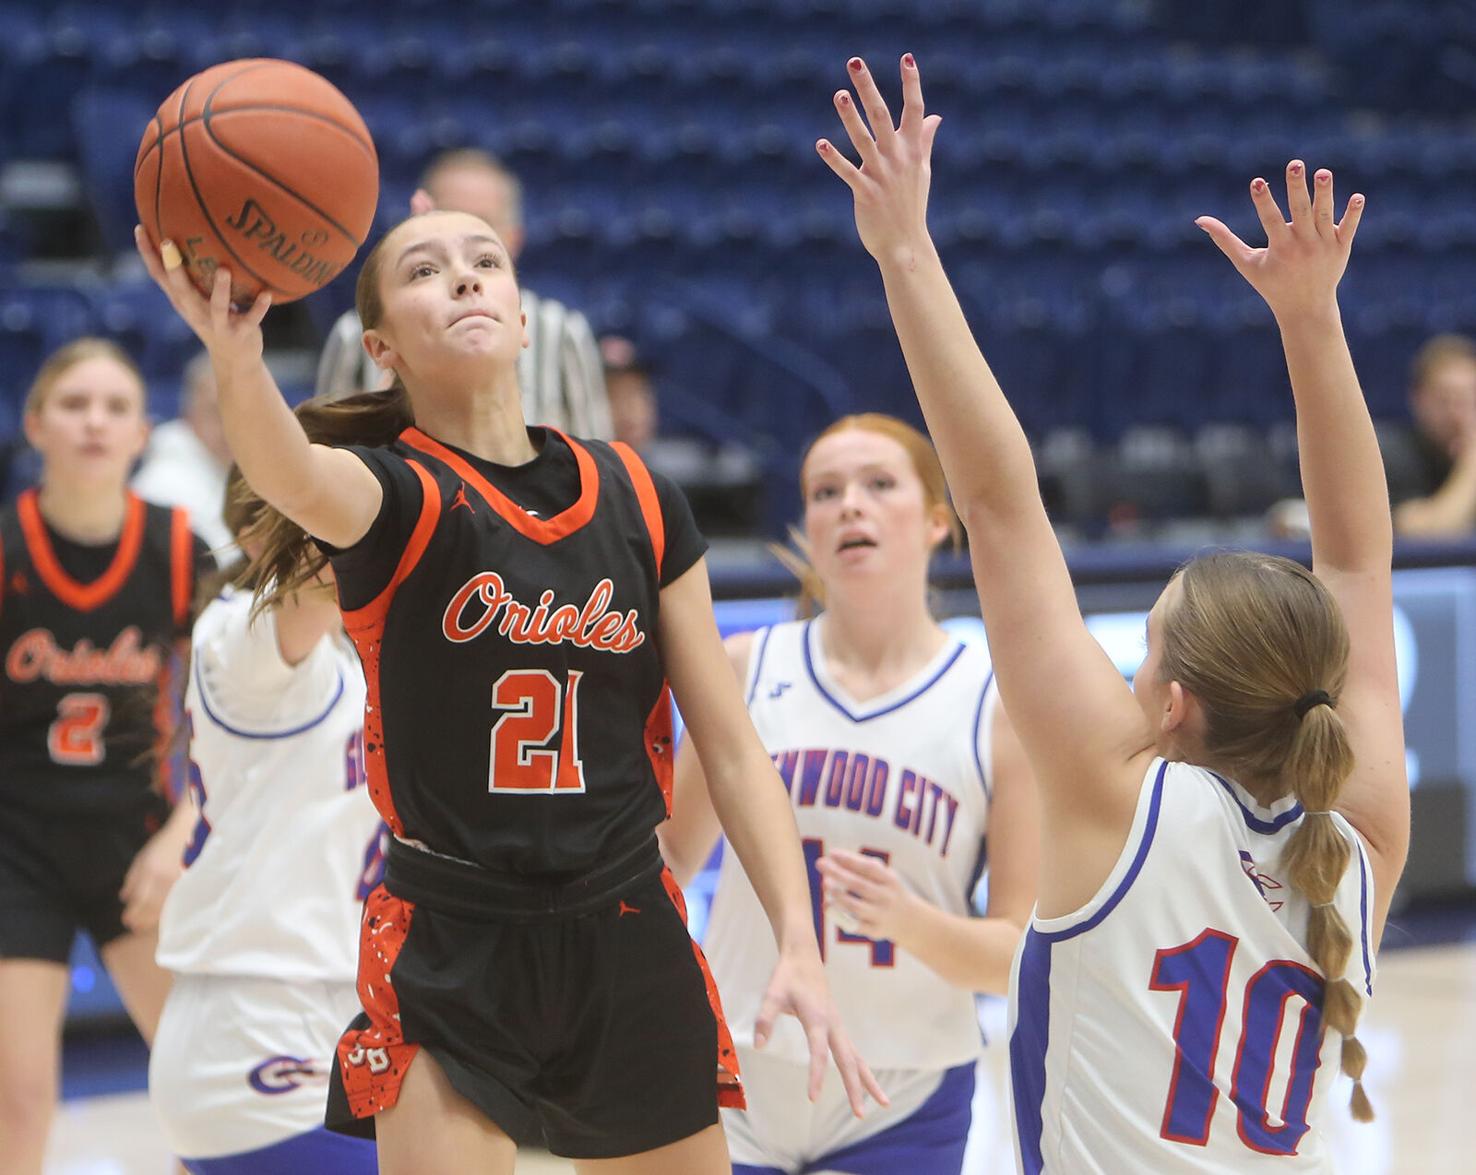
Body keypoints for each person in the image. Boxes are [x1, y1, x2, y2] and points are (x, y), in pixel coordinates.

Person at [135, 205, 884, 1175]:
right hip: (451, 933)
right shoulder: (392, 495)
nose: (462, 276)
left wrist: (798, 940)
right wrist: (236, 355)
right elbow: (287, 469)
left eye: (484, 259)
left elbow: (733, 748)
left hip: (623, 920)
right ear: (381, 347)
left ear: (523, 318)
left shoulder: (640, 496)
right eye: (424, 269)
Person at [820, 56, 1408, 1171]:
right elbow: (1359, 563)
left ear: (1173, 702)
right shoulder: (1360, 844)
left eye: (1143, 648)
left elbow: (1000, 503)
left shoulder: (1118, 798)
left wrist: (904, 250)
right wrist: (1313, 324)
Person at [661, 411, 1040, 1175]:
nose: (850, 506)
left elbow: (1016, 955)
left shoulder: (995, 705)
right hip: (734, 1070)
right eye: (825, 491)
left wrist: (912, 922)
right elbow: (667, 862)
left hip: (903, 1091)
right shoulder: (745, 667)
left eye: (879, 484)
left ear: (938, 521)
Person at [0, 338, 210, 1174]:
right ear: (34, 424)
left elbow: (236, 713)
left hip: (139, 841)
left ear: (142, 433)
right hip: (16, 848)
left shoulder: (182, 548)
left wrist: (184, 833)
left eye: (115, 406)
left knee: (202, 1085)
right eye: (74, 403)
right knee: (18, 1096)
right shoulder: (6, 548)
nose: (94, 421)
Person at [148, 464, 381, 1174]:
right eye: (315, 511)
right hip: (252, 1025)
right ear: (255, 536)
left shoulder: (346, 653)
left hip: (322, 1007)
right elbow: (326, 574)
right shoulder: (240, 636)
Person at [316, 149, 613, 440]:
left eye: (483, 234)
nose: (464, 272)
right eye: (447, 215)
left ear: (513, 240)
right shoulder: (353, 334)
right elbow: (326, 453)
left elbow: (593, 447)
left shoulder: (562, 330)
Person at [133, 350, 235, 557]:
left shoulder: (250, 472)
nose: (231, 426)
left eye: (241, 412)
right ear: (189, 413)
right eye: (216, 411)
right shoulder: (162, 486)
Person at [1386, 334, 1476, 536]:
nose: (1456, 414)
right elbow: (1428, 535)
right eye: (1445, 400)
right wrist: (1471, 460)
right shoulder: (1391, 455)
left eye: (1468, 399)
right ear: (1418, 399)